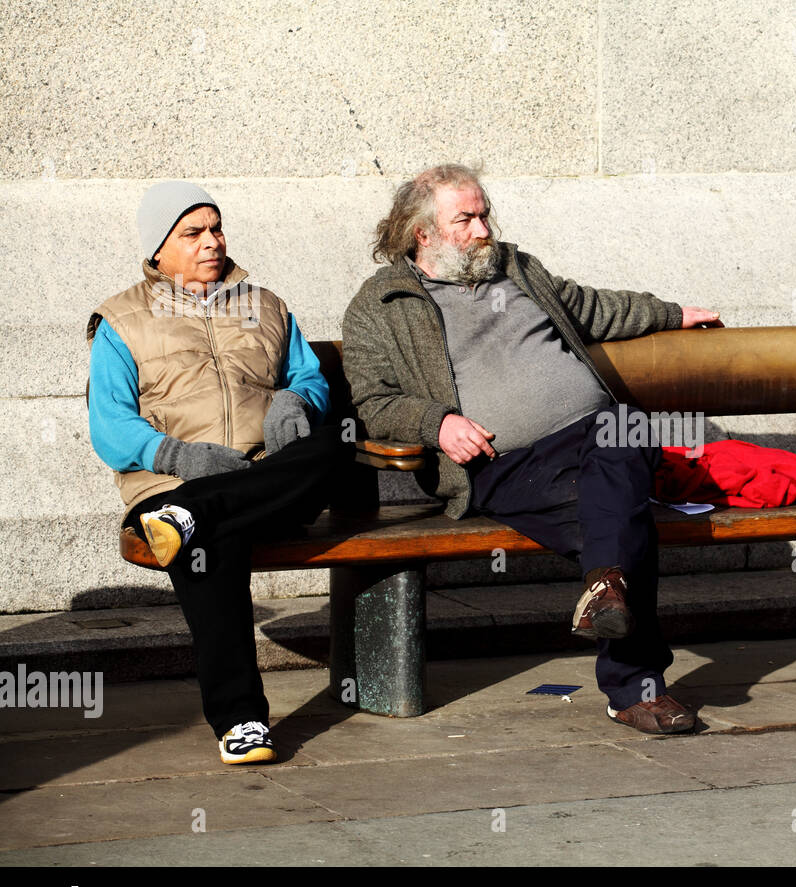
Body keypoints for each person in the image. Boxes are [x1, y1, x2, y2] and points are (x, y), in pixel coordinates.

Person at [343, 164, 722, 734]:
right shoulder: (382, 305)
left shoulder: (518, 269)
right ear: (422, 234)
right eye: (465, 219)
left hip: (593, 434)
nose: (483, 229)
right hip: (504, 465)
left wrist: (672, 313)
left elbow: (593, 307)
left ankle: (608, 602)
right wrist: (436, 421)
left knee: (625, 428)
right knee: (623, 521)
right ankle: (631, 684)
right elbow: (373, 401)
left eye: (484, 213)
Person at [87, 181, 350, 764]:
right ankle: (242, 721)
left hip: (263, 483)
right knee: (212, 538)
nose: (212, 241)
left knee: (333, 447)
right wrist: (179, 458)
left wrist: (298, 401)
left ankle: (196, 514)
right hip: (169, 487)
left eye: (217, 227)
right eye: (193, 232)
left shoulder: (268, 305)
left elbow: (309, 378)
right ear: (159, 248)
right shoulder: (122, 320)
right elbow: (110, 428)